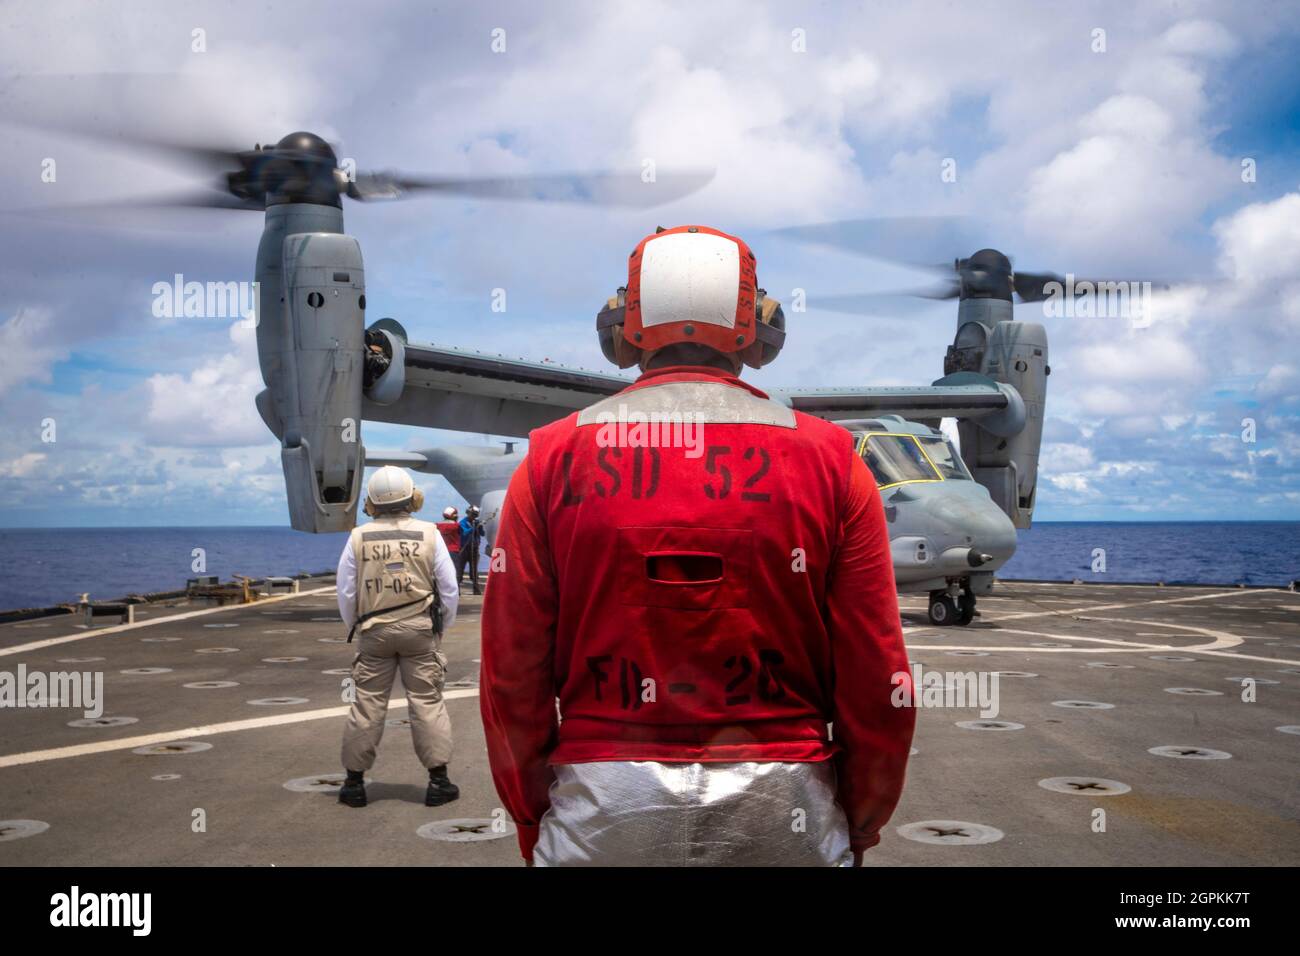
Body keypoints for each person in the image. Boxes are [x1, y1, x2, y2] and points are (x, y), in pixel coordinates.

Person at [480, 225, 915, 866]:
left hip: (601, 802)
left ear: (622, 329)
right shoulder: (833, 461)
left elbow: (510, 674)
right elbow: (879, 677)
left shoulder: (550, 459)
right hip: (786, 797)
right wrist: (860, 816)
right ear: (761, 331)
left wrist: (534, 814)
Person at [335, 466, 461, 808]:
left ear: (372, 501)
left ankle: (353, 785)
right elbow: (449, 589)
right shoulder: (429, 533)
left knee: (367, 705)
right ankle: (438, 782)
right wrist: (440, 629)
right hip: (419, 632)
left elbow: (346, 592)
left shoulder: (358, 536)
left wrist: (358, 625)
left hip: (374, 633)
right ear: (412, 497)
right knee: (427, 704)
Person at [457, 505, 483, 594]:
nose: (474, 517)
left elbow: (482, 534)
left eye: (475, 515)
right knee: (460, 569)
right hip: (464, 549)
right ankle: (457, 589)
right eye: (473, 514)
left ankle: (476, 589)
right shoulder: (462, 522)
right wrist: (474, 527)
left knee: (474, 570)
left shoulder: (476, 522)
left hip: (474, 549)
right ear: (468, 513)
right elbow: (464, 533)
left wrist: (480, 527)